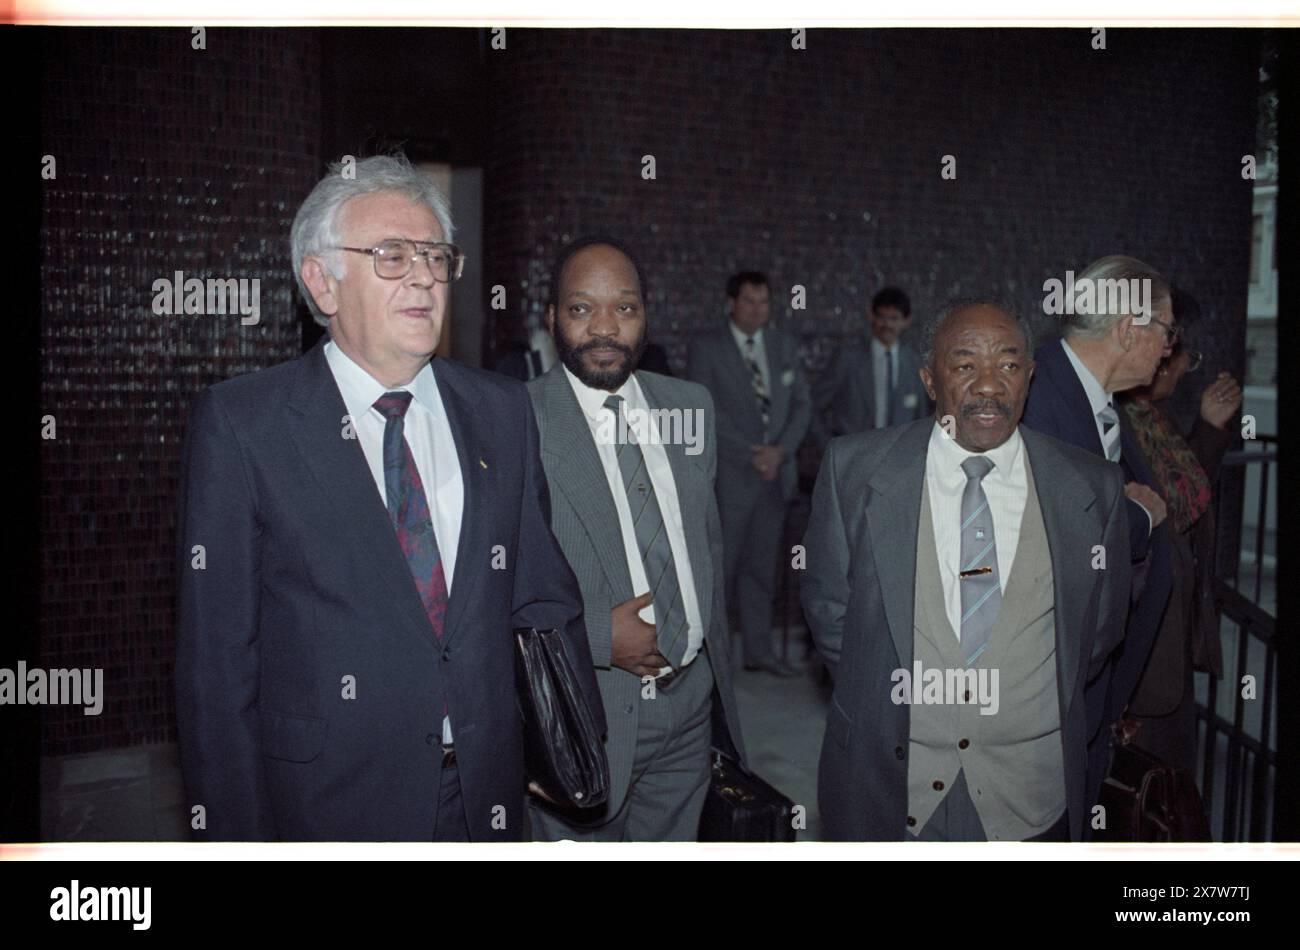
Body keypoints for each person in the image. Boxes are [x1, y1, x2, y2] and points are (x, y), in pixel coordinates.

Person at [174, 154, 603, 841]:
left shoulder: (501, 410)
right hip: (328, 802)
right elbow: (217, 671)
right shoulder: (244, 425)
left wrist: (571, 738)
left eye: (436, 256)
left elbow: (540, 594)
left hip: (486, 794)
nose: (425, 277)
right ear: (322, 281)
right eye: (392, 255)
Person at [802, 300, 1131, 841]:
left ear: (1029, 376)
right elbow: (835, 619)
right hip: (894, 791)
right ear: (931, 381)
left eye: (1007, 364)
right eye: (964, 365)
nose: (988, 386)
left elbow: (1096, 636)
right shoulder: (855, 470)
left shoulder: (1091, 488)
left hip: (1031, 799)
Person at [525, 237, 745, 840]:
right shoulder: (515, 420)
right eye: (580, 309)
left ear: (646, 316)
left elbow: (707, 546)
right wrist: (597, 635)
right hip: (585, 710)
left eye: (624, 308)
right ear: (551, 320)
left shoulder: (690, 407)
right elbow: (489, 587)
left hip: (691, 702)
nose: (604, 328)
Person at [1021, 254, 1176, 813]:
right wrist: (1136, 517)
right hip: (1046, 698)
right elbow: (1046, 541)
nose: (1169, 348)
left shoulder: (1103, 404)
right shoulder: (1032, 395)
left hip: (1094, 693)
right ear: (1130, 329)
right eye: (1166, 331)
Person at [1119, 339, 1242, 775]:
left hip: (1171, 636)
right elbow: (1163, 518)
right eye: (1184, 356)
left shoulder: (1152, 419)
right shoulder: (1115, 422)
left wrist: (1209, 427)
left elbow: (1183, 499)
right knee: (1145, 789)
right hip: (1147, 653)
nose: (1187, 367)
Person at [686, 272, 811, 677]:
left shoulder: (783, 346)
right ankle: (713, 661)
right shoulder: (707, 348)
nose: (758, 309)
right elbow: (702, 407)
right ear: (731, 303)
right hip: (731, 477)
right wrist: (750, 452)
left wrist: (781, 451)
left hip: (774, 477)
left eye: (764, 302)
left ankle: (759, 652)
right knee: (720, 572)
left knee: (762, 569)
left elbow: (801, 406)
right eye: (750, 301)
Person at [813, 286, 931, 445]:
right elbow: (812, 405)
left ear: (906, 321)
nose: (887, 324)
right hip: (853, 457)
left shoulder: (914, 363)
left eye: (894, 318)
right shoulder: (848, 359)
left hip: (900, 460)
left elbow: (922, 418)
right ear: (871, 316)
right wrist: (830, 446)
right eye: (882, 317)